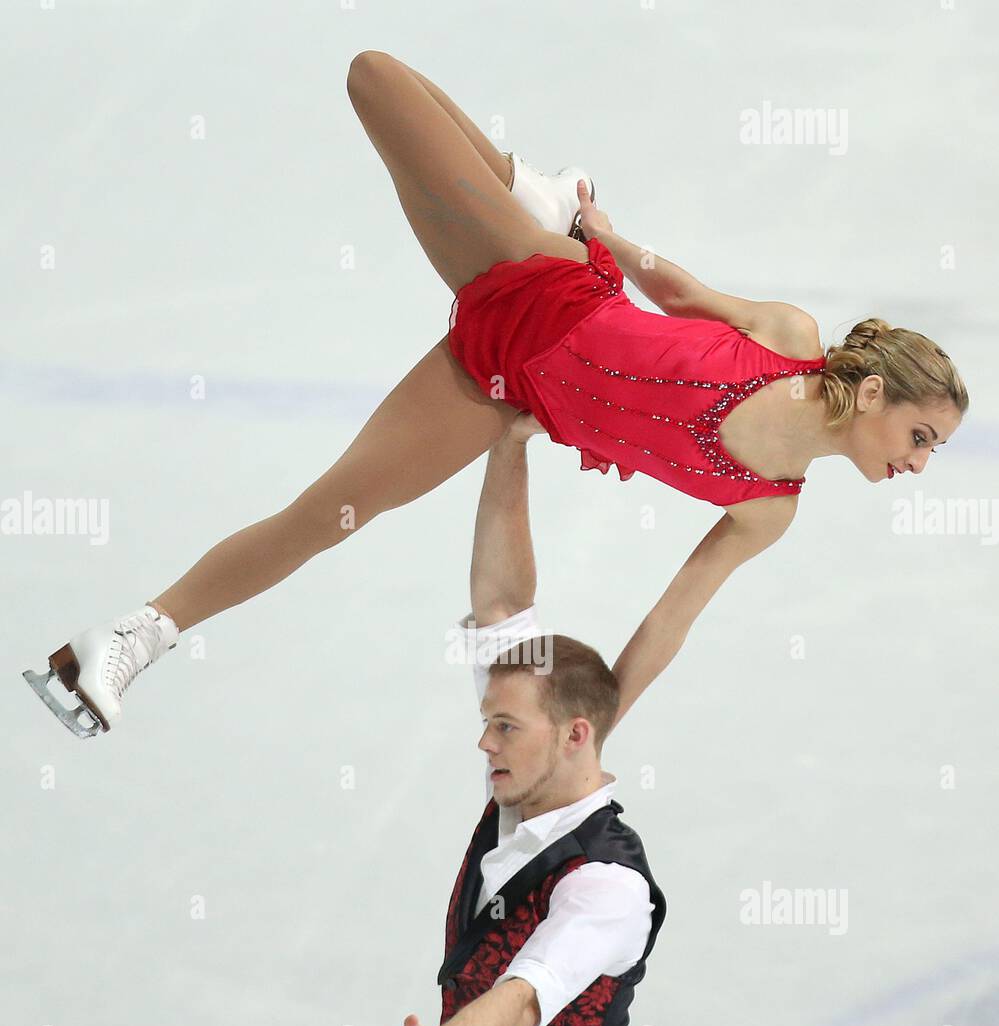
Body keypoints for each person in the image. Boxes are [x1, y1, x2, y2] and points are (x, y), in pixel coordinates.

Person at [22, 50, 969, 738]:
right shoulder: (790, 341)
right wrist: (598, 227)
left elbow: (669, 618)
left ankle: (130, 638)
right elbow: (681, 295)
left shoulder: (767, 511)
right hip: (539, 281)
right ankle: (536, 191)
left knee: (328, 513)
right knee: (374, 80)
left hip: (504, 387)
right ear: (877, 390)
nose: (918, 463)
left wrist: (591, 735)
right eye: (922, 435)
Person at [333, 407, 667, 1026]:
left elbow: (521, 1002)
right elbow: (501, 608)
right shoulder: (523, 797)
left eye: (504, 727)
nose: (485, 745)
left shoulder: (605, 883)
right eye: (487, 723)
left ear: (575, 735)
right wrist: (508, 443)